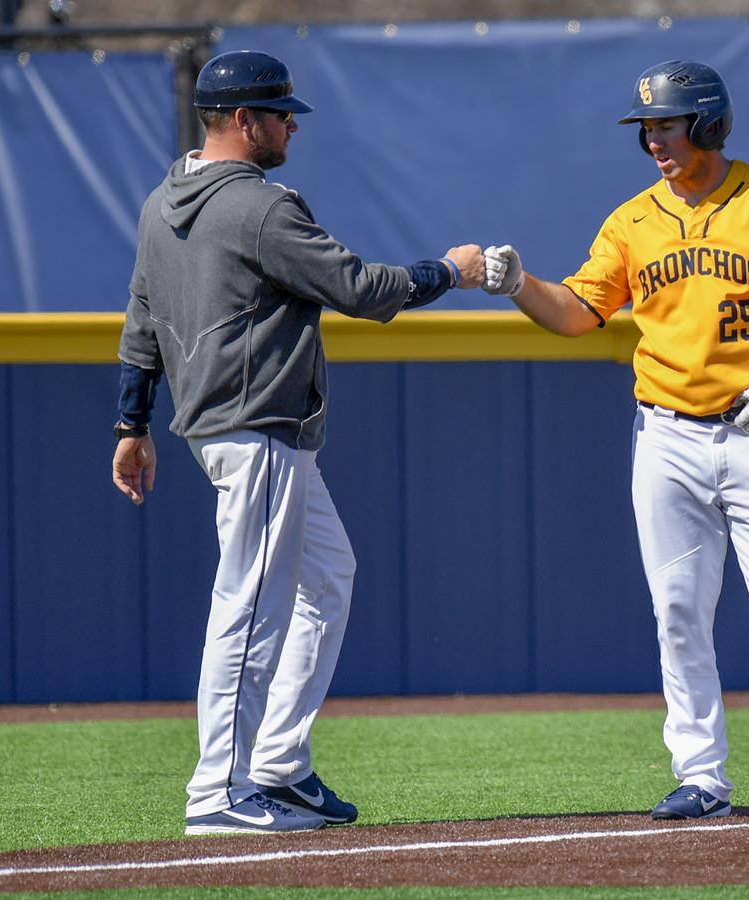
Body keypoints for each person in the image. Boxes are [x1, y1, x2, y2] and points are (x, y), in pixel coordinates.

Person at [482, 60, 749, 819]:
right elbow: (579, 313)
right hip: (665, 438)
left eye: (667, 124)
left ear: (709, 123)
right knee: (678, 612)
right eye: (647, 129)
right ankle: (701, 777)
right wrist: (519, 286)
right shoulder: (631, 222)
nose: (654, 141)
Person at [110, 49, 484, 836]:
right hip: (258, 428)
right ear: (245, 121)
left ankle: (279, 764)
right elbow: (360, 291)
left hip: (225, 427)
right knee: (249, 608)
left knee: (328, 577)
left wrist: (131, 424)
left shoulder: (159, 201)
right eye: (282, 115)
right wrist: (449, 271)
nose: (291, 127)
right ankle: (219, 791)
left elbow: (140, 323)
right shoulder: (259, 206)